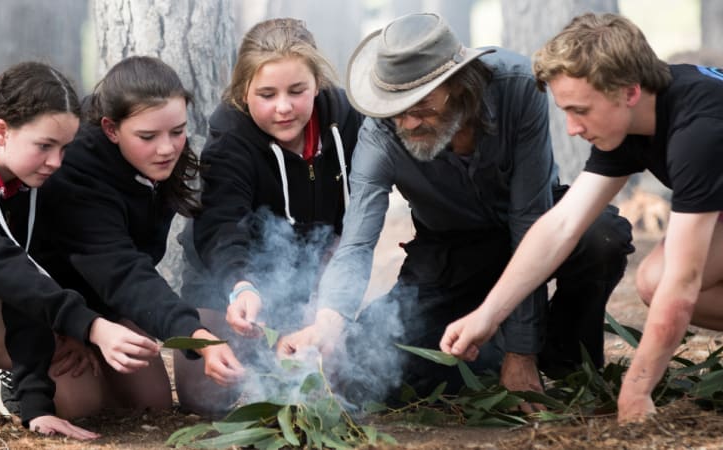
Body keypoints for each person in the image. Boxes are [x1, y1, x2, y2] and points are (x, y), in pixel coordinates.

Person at [277, 12, 634, 404]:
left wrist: (523, 352)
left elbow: (529, 221)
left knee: (601, 236)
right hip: (450, 252)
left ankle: (565, 359)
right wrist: (328, 322)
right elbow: (357, 242)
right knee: (372, 373)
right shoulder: (380, 133)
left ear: (459, 85)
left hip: (538, 226)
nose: (408, 123)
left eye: (422, 106)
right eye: (396, 109)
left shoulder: (517, 88)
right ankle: (490, 347)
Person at [440, 12, 723, 424]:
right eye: (566, 112)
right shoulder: (634, 118)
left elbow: (684, 282)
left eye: (580, 111)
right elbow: (561, 225)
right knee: (653, 280)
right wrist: (488, 315)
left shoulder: (698, 132)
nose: (572, 129)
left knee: (670, 280)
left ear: (629, 91)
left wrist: (637, 389)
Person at [0, 56, 244, 423]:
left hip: (106, 301)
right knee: (80, 406)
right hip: (49, 303)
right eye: (148, 137)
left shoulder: (158, 162)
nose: (167, 148)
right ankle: (15, 372)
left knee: (151, 405)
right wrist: (197, 336)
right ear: (111, 129)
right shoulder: (78, 171)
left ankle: (94, 353)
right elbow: (121, 270)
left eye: (177, 131)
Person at [0, 61, 160, 440]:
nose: (56, 162)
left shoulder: (19, 178)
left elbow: (23, 282)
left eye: (64, 147)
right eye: (45, 146)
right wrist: (93, 326)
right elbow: (0, 266)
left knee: (51, 342)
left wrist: (37, 407)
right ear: (2, 131)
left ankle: (16, 391)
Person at [176, 17, 363, 415]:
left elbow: (359, 214)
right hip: (228, 284)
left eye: (297, 90)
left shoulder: (345, 121)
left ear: (317, 83)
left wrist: (327, 298)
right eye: (266, 94)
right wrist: (241, 286)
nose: (283, 107)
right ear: (244, 91)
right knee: (205, 399)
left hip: (313, 285)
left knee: (333, 388)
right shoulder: (230, 137)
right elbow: (221, 225)